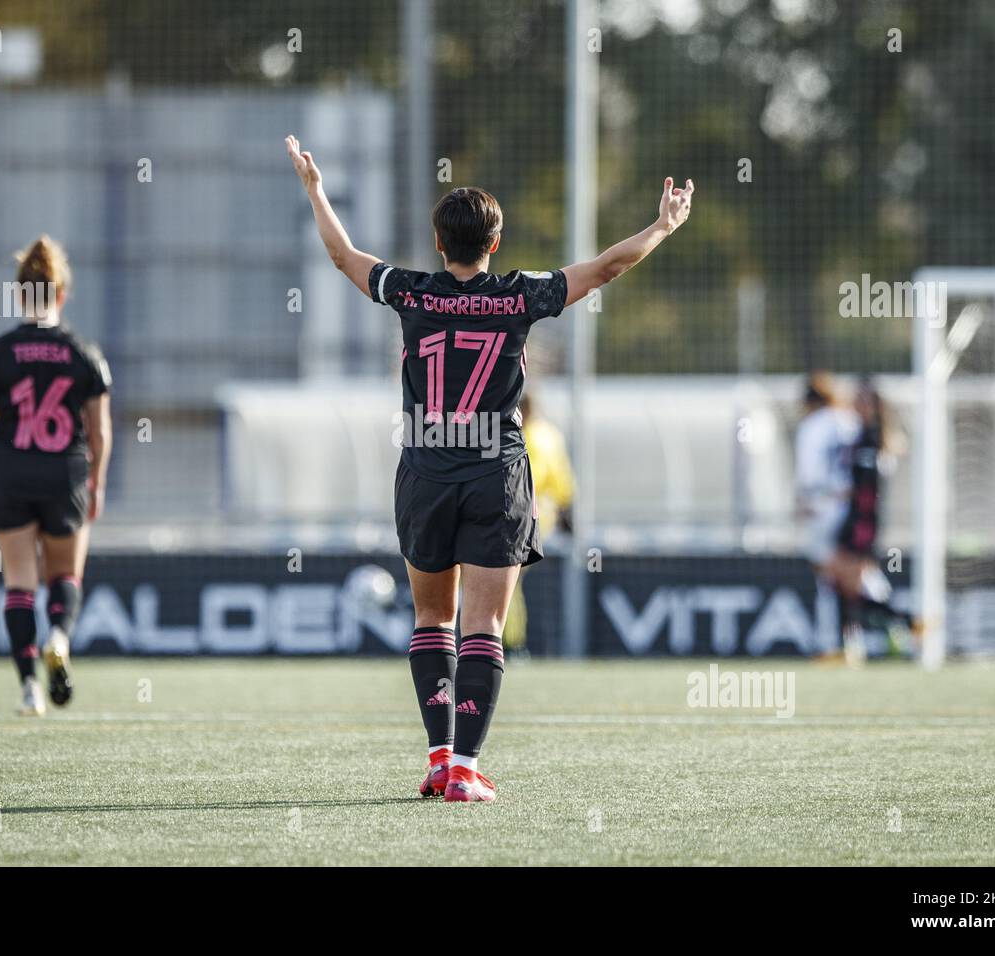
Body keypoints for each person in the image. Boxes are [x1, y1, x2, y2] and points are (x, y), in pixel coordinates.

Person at [286, 133, 693, 802]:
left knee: (431, 621)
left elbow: (341, 255)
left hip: (424, 471)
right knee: (484, 628)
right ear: (494, 243)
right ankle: (466, 769)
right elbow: (606, 268)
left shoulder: (412, 292)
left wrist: (316, 191)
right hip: (494, 474)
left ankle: (440, 759)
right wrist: (662, 226)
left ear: (438, 243)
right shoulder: (518, 297)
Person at [0, 236, 112, 716]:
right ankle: (60, 639)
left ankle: (29, 688)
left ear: (18, 293)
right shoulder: (83, 353)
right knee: (65, 573)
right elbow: (100, 431)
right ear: (61, 294)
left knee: (19, 583)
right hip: (64, 473)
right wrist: (97, 481)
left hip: (10, 474)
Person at [832, 378, 919, 658]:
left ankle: (900, 625)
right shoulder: (860, 435)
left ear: (873, 406)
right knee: (848, 586)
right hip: (854, 521)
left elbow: (864, 490)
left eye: (862, 399)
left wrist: (837, 495)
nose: (856, 404)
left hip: (861, 524)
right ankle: (900, 626)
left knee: (848, 584)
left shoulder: (872, 439)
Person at [794, 372, 861, 661]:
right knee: (855, 573)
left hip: (823, 507)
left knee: (827, 577)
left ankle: (831, 642)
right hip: (854, 508)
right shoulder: (852, 421)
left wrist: (803, 502)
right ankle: (856, 640)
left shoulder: (812, 426)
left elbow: (809, 475)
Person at [501, 391, 574, 653]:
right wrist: (566, 515)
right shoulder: (551, 435)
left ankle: (510, 642)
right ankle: (510, 642)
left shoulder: (519, 435)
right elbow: (563, 482)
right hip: (544, 514)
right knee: (509, 580)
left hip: (521, 511)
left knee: (505, 579)